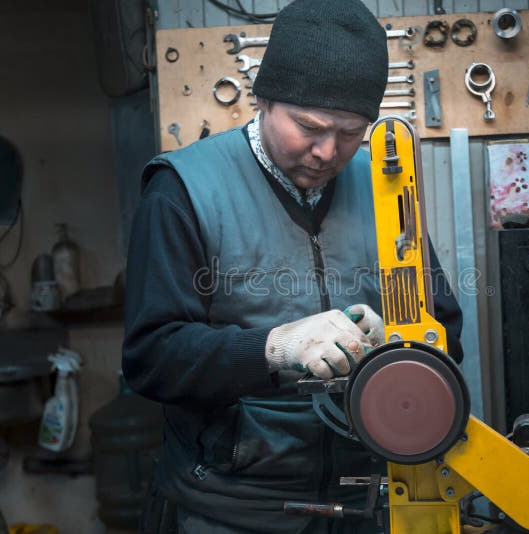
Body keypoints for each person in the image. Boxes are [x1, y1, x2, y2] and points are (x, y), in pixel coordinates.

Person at [122, 0, 464, 532]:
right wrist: (273, 347)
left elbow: (447, 332)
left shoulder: (386, 186)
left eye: (351, 132)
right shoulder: (182, 191)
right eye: (308, 126)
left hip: (369, 502)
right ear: (262, 98)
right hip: (231, 509)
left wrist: (395, 345)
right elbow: (151, 358)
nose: (328, 152)